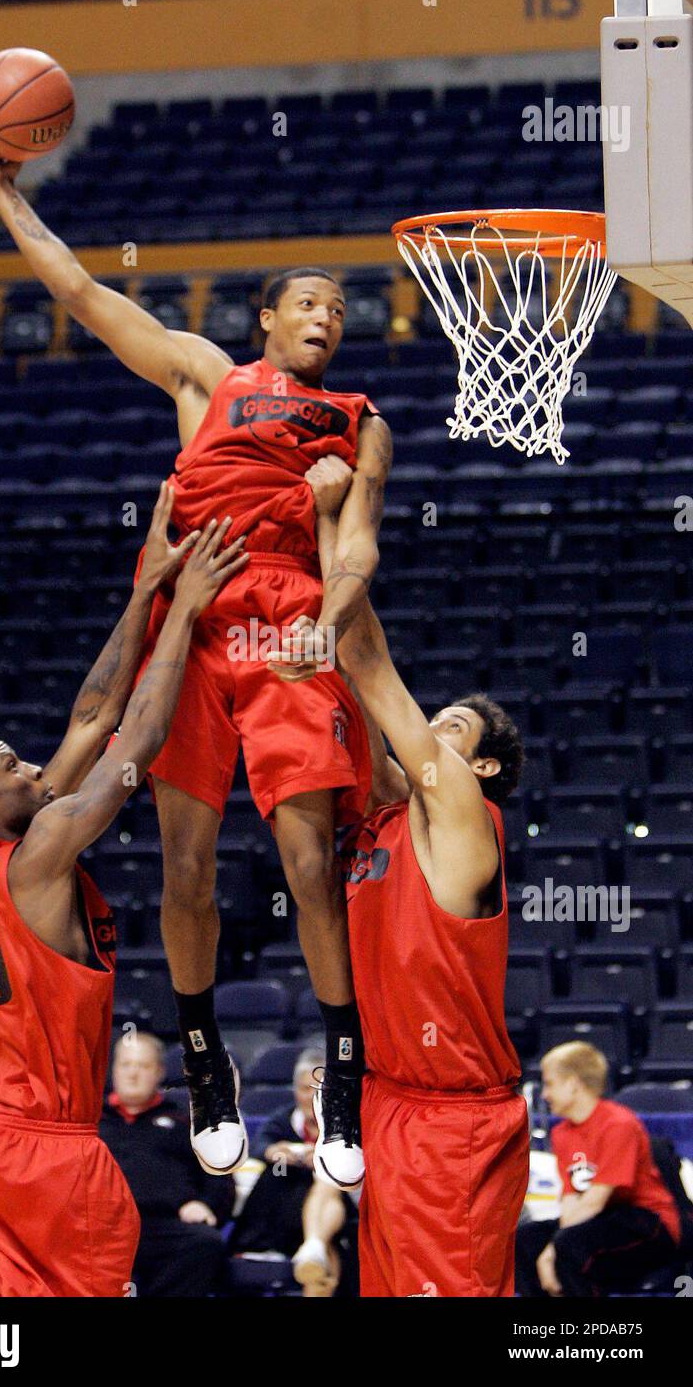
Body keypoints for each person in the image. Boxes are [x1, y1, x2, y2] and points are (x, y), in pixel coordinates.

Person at [0, 109, 392, 1187]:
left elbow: (361, 551)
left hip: (287, 626)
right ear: (263, 319)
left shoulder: (357, 422)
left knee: (308, 864)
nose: (326, 318)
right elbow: (82, 292)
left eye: (339, 308)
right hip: (193, 622)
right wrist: (6, 191)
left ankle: (345, 1066)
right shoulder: (206, 376)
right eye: (307, 303)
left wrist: (325, 624)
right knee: (185, 864)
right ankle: (203, 1056)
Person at [0, 497, 248, 1296]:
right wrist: (187, 613)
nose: (33, 768)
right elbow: (131, 740)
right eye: (12, 767)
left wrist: (146, 589)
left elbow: (91, 714)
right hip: (48, 1152)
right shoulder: (39, 857)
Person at [270, 458, 528, 1296]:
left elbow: (370, 664)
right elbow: (350, 683)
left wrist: (335, 518)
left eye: (450, 725)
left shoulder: (461, 809)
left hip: (453, 1116)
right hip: (389, 1100)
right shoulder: (388, 812)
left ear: (482, 765)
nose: (429, 732)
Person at [515, 1042, 683, 1297]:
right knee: (526, 1240)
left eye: (550, 1084)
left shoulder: (618, 1124)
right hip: (601, 1218)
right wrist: (547, 1247)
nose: (545, 1095)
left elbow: (595, 1201)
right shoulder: (562, 1134)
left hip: (648, 1221)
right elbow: (572, 1201)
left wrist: (549, 1253)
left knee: (569, 1246)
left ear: (573, 1083)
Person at [100, 1032, 234, 1297]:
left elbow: (220, 1177)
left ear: (159, 1072)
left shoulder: (184, 1122)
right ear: (113, 1070)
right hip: (104, 1226)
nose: (133, 1074)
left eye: (143, 1066)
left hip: (164, 1225)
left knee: (205, 1244)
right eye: (126, 1065)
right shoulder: (92, 1122)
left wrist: (205, 1204)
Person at [229, 1048, 359, 1296]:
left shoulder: (350, 1122)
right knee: (326, 1243)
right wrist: (276, 1152)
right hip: (282, 1214)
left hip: (340, 1216)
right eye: (304, 1088)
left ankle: (314, 1245)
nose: (312, 1097)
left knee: (327, 1174)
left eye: (320, 1090)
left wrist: (321, 1157)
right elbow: (259, 1147)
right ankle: (315, 1244)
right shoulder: (283, 1120)